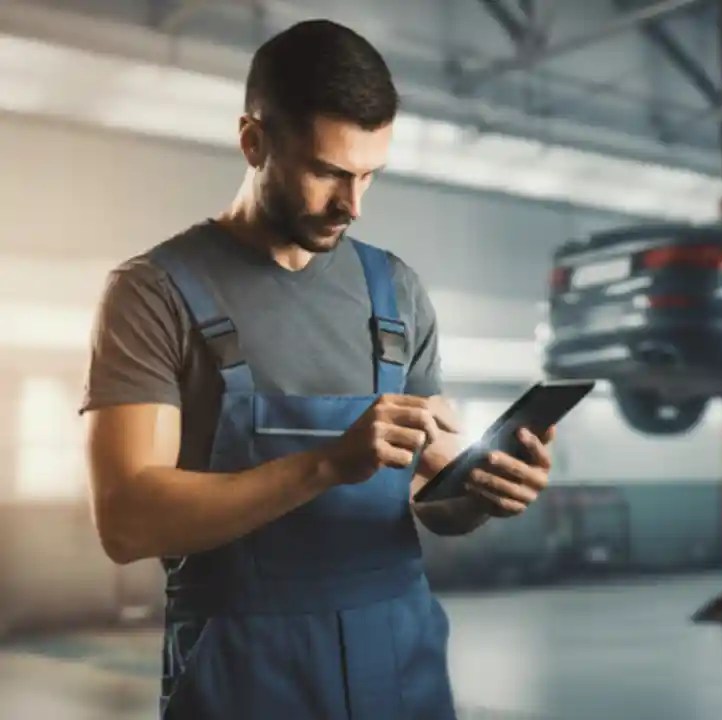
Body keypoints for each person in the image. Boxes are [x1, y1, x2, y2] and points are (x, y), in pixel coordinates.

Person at [79, 19, 555, 719]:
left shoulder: (397, 294)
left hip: (401, 662)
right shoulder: (154, 294)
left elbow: (434, 495)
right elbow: (126, 521)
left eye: (369, 176)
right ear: (253, 142)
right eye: (328, 172)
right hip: (245, 671)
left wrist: (484, 491)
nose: (351, 205)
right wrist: (326, 464)